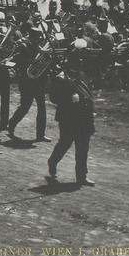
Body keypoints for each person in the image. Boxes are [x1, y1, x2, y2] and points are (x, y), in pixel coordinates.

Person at [45, 52, 96, 186]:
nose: (80, 63)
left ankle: (82, 176)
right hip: (68, 117)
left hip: (83, 117)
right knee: (65, 143)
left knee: (82, 147)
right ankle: (53, 161)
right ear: (69, 61)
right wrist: (69, 99)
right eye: (76, 61)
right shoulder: (61, 78)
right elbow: (53, 98)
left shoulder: (83, 76)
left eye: (80, 60)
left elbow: (88, 96)